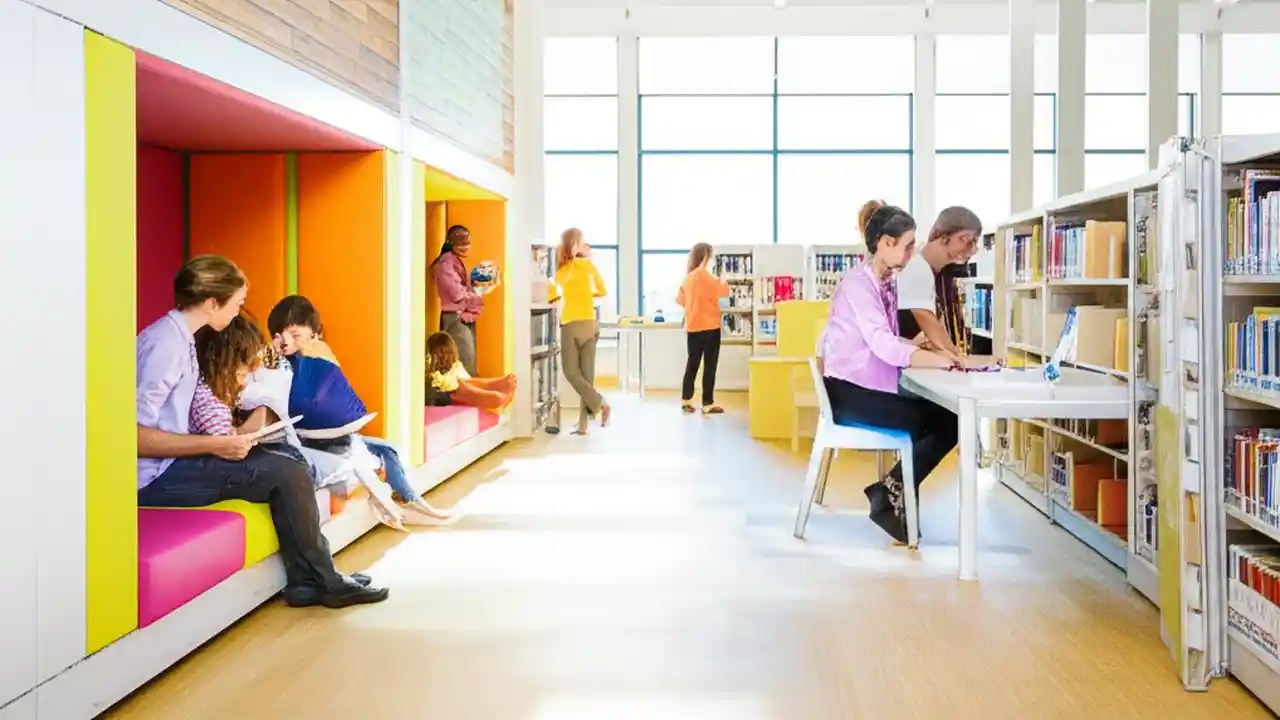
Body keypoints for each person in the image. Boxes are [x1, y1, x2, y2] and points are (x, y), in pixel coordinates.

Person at [136, 255, 387, 608]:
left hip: (172, 465)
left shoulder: (178, 338)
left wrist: (231, 436)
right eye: (237, 304)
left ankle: (307, 582)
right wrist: (217, 445)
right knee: (285, 471)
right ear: (211, 303)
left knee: (282, 461)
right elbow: (133, 437)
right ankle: (325, 581)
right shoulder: (166, 346)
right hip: (155, 479)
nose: (239, 313)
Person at [820, 203, 978, 544]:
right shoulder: (859, 286)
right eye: (907, 245)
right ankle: (893, 494)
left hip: (867, 387)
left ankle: (894, 492)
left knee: (948, 417)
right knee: (951, 421)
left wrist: (925, 350)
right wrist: (945, 360)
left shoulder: (884, 283)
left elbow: (887, 341)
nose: (911, 253)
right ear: (885, 243)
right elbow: (882, 345)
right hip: (850, 393)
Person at [267, 295, 452, 521]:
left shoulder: (315, 357)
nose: (290, 342)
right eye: (284, 336)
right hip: (308, 441)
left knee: (387, 449)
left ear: (314, 333)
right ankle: (401, 499)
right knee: (366, 452)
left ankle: (407, 498)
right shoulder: (280, 363)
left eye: (296, 335)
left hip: (328, 436)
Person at [895, 205, 987, 360]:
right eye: (966, 240)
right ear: (944, 235)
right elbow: (926, 319)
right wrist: (958, 358)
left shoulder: (934, 272)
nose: (972, 249)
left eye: (974, 242)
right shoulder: (917, 267)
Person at [554, 228, 611, 434]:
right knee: (587, 376)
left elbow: (552, 295)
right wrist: (588, 293)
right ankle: (584, 425)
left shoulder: (562, 270)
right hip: (590, 322)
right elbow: (602, 291)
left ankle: (600, 402)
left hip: (571, 322)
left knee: (571, 372)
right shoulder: (589, 267)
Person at [676, 242, 730, 415]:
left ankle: (686, 400)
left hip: (693, 327)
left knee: (692, 364)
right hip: (710, 326)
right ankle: (707, 403)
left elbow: (681, 300)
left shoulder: (688, 278)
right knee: (709, 365)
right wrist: (724, 284)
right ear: (706, 256)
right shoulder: (707, 278)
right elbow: (723, 298)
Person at [431, 225, 485, 376]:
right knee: (465, 365)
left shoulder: (454, 261)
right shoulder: (446, 263)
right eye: (460, 243)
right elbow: (456, 294)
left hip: (462, 316)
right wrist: (477, 294)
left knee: (468, 363)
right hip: (455, 317)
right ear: (451, 243)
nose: (465, 247)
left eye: (467, 242)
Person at [426, 332, 517, 409]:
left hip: (451, 384)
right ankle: (489, 387)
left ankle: (489, 385)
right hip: (448, 388)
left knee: (460, 381)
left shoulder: (454, 368)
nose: (444, 357)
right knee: (455, 384)